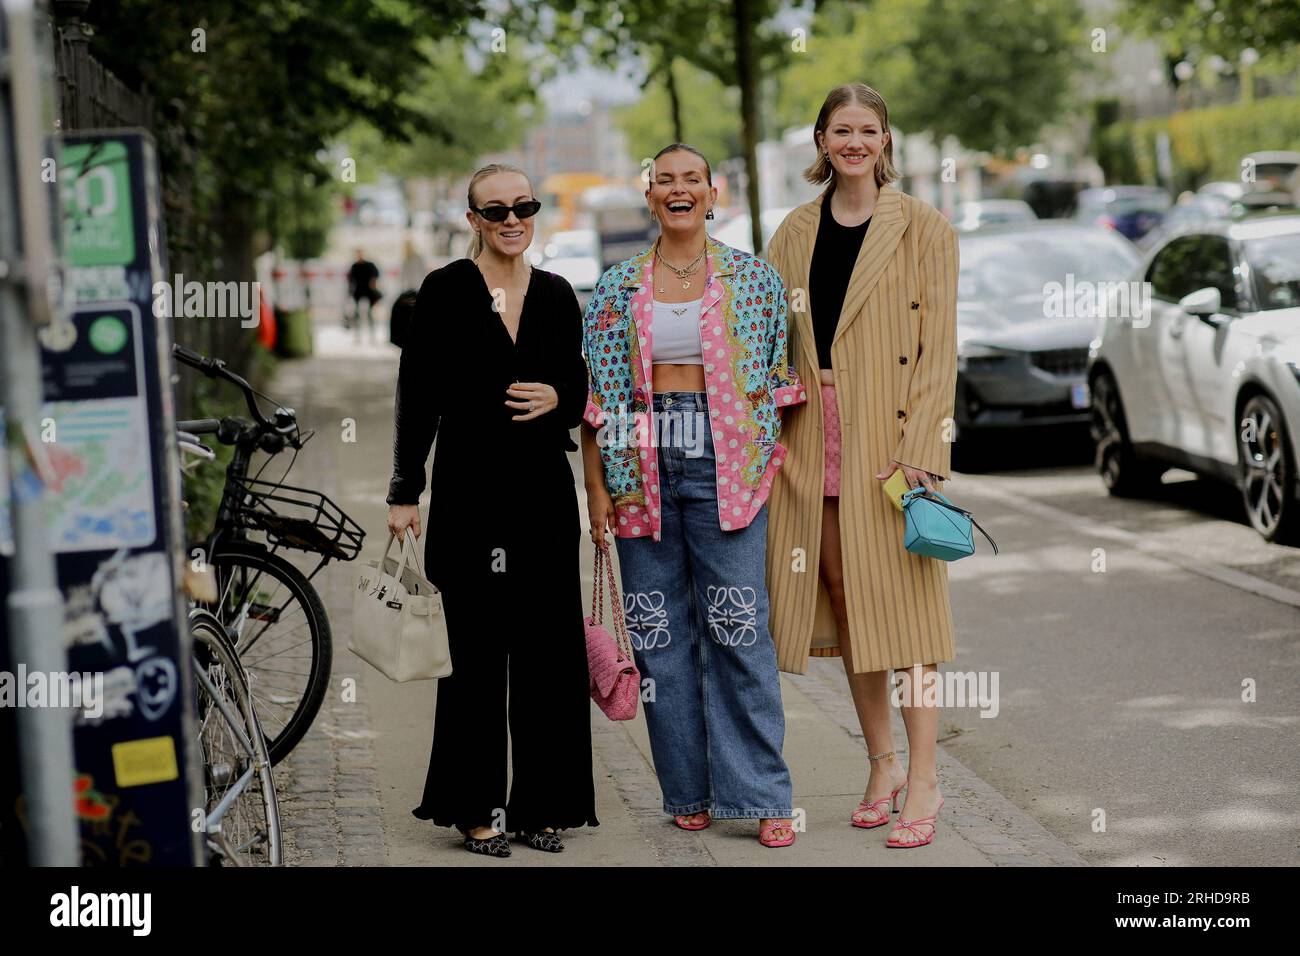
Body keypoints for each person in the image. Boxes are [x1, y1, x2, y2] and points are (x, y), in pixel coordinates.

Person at [580, 143, 804, 848]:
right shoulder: (616, 286)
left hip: (723, 464)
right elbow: (596, 400)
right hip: (638, 464)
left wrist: (768, 459)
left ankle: (763, 794)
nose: (679, 190)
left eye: (691, 180)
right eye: (664, 181)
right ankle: (687, 790)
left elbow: (777, 382)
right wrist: (595, 490)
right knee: (658, 638)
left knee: (738, 630)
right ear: (650, 197)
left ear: (714, 193)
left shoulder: (754, 280)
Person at [765, 83, 960, 848]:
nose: (854, 142)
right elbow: (774, 344)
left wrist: (926, 450)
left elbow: (939, 348)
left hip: (894, 433)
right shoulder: (793, 232)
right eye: (840, 129)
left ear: (886, 140)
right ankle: (879, 763)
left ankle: (924, 779)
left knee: (908, 614)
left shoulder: (925, 228)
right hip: (815, 435)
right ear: (821, 141)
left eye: (867, 130)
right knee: (846, 603)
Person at [386, 163, 599, 858]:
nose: (513, 220)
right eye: (496, 210)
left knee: (548, 654)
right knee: (474, 655)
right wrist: (402, 490)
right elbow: (416, 395)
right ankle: (475, 808)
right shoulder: (445, 293)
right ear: (473, 218)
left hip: (541, 493)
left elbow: (578, 382)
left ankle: (543, 807)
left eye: (524, 206)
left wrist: (558, 401)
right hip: (469, 495)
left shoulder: (560, 294)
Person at [347, 250, 381, 341]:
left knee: (370, 314)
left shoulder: (369, 265)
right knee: (357, 314)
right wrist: (349, 293)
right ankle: (358, 335)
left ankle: (372, 335)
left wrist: (373, 283)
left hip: (368, 291)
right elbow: (350, 281)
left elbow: (376, 275)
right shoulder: (354, 266)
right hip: (358, 291)